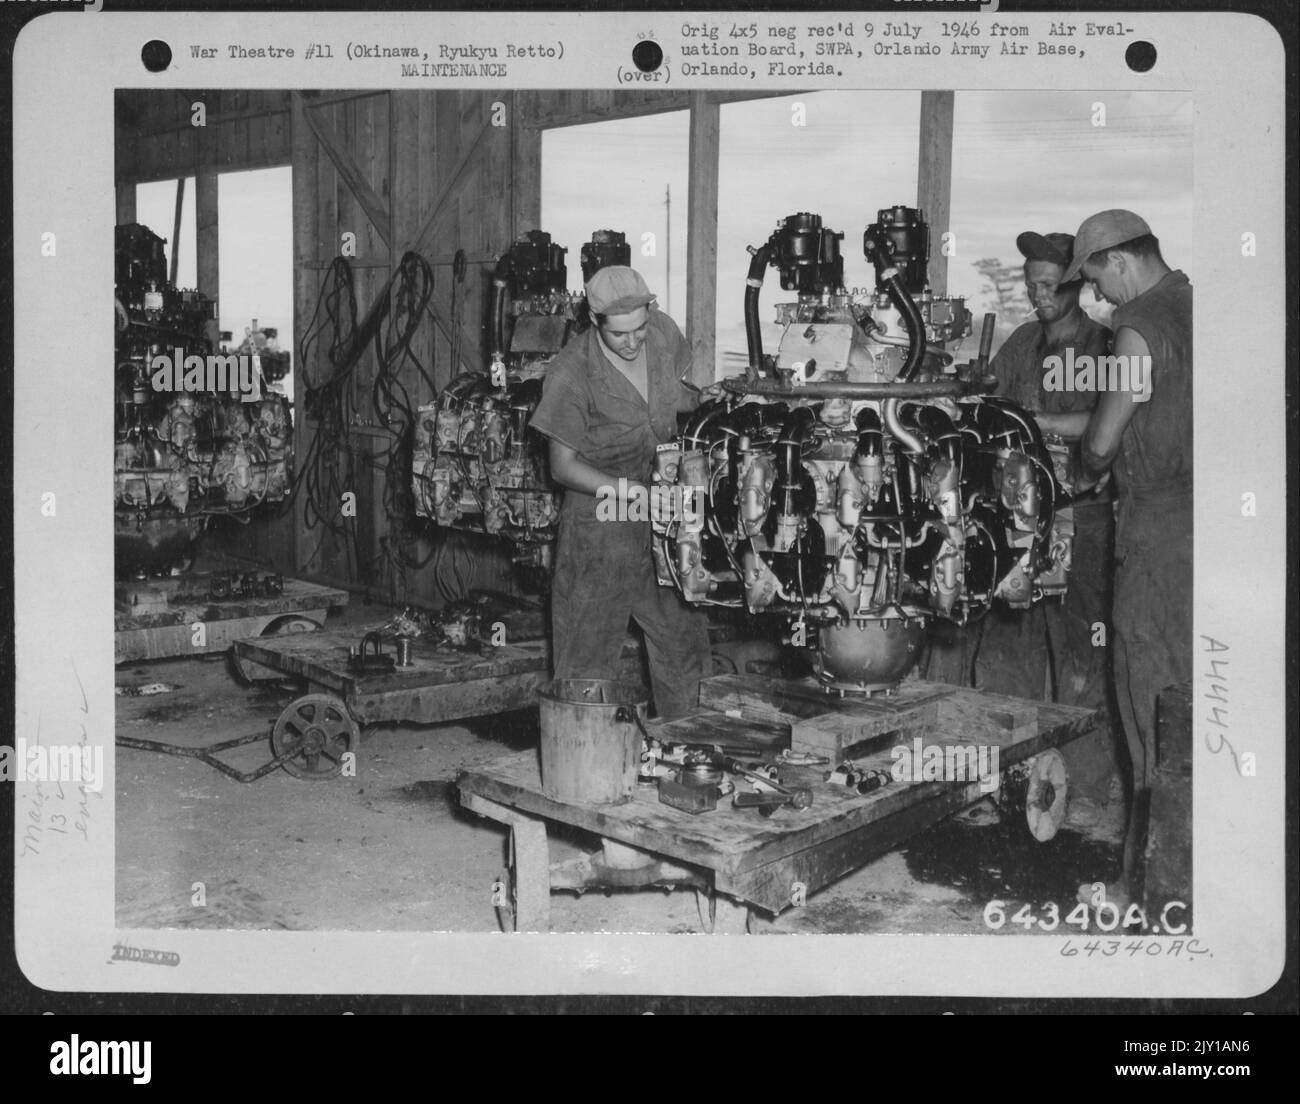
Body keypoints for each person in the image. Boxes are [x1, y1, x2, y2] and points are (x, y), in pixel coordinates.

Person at [1060, 211, 1193, 911]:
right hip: (1210, 526)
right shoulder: (1200, 306)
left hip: (1156, 530)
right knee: (1196, 704)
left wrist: (1078, 472)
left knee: (1146, 706)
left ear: (1118, 261)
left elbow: (1106, 439)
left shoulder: (1137, 326)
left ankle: (1137, 890)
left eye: (1095, 278)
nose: (1097, 296)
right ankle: (1194, 878)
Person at [974, 230, 1120, 823]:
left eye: (1048, 285)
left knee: (1084, 650)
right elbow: (989, 406)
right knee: (1010, 648)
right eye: (1030, 284)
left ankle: (1085, 788)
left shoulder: (1107, 345)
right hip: (1018, 522)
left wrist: (1037, 421)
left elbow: (1108, 421)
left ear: (1077, 284)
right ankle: (1010, 780)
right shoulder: (1020, 344)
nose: (1037, 295)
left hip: (1081, 518)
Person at [529, 266, 712, 719]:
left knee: (682, 644)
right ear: (594, 322)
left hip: (665, 514)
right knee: (586, 660)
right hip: (600, 521)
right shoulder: (571, 372)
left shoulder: (664, 333)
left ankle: (685, 751)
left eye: (640, 328)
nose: (633, 342)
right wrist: (633, 493)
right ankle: (583, 769)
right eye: (619, 335)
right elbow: (562, 466)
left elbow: (686, 399)